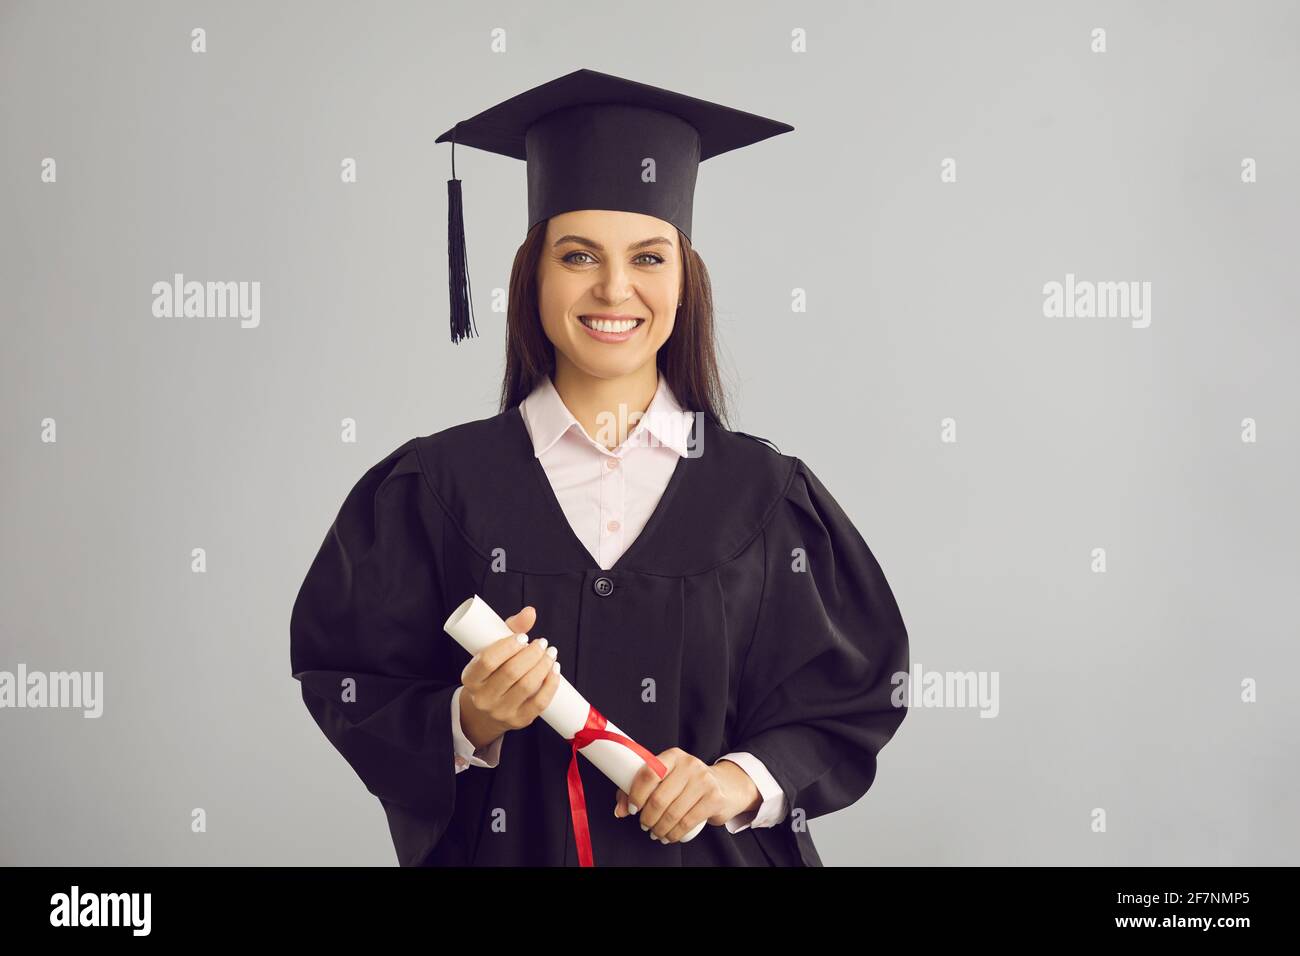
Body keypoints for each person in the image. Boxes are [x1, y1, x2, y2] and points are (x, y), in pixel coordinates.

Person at [289, 68, 910, 866]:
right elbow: (348, 680)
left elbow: (847, 699)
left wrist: (734, 782)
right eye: (578, 255)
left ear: (685, 282)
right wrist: (468, 718)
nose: (615, 288)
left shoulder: (765, 497)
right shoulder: (435, 490)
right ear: (534, 277)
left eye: (649, 257)